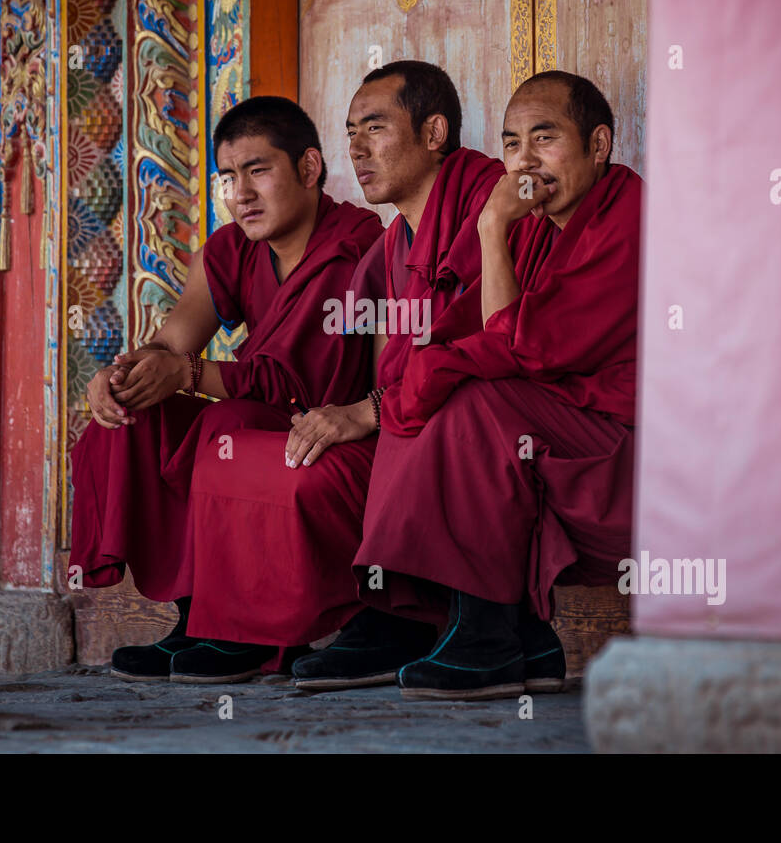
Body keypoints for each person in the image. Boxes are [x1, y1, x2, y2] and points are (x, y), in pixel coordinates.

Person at [183, 62, 504, 687]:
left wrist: (372, 412)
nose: (354, 149)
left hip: (474, 419)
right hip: (407, 416)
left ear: (434, 131)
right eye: (350, 131)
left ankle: (413, 618)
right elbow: (392, 369)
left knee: (373, 444)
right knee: (238, 444)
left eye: (375, 128)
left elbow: (485, 342)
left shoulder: (483, 204)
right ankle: (242, 625)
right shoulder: (392, 244)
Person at [330, 70, 642, 700]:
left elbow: (519, 347)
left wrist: (490, 229)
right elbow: (462, 328)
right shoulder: (539, 228)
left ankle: (490, 636)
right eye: (511, 143)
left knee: (475, 402)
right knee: (420, 388)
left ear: (600, 144)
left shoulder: (630, 220)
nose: (524, 160)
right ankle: (488, 631)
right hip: (565, 428)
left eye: (545, 138)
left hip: (636, 456)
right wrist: (410, 383)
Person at [68, 95, 382, 684]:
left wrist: (186, 375)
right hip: (271, 423)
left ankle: (247, 630)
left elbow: (302, 389)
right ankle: (197, 617)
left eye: (259, 171)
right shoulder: (233, 248)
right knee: (137, 419)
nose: (241, 194)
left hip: (339, 432)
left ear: (310, 169)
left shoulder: (354, 246)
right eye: (228, 177)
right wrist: (120, 378)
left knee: (224, 424)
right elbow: (173, 341)